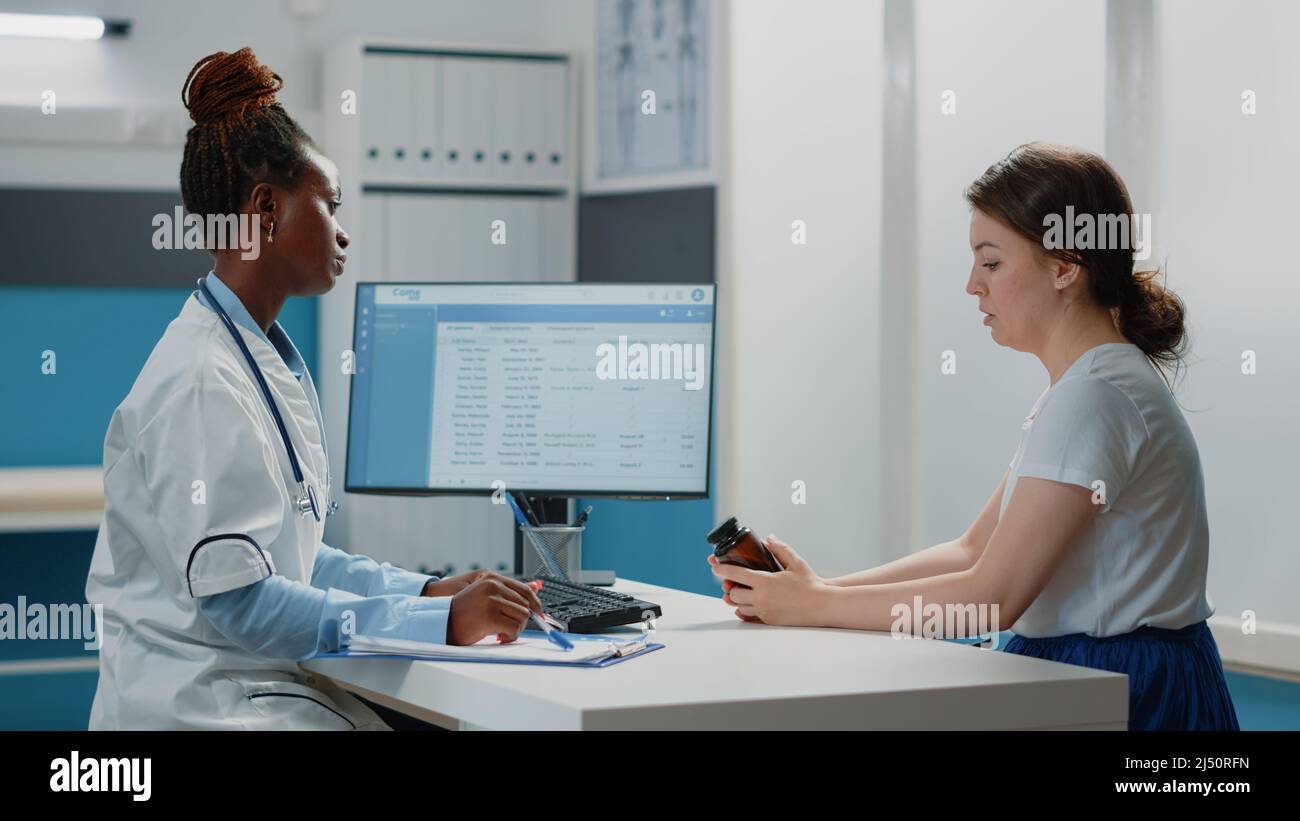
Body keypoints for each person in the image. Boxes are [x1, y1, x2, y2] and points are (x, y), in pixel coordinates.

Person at [709, 142, 1239, 731]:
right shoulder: (1090, 386)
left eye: (990, 262)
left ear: (1065, 265)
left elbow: (992, 596)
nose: (971, 285)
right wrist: (815, 591)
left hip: (1124, 688)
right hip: (1119, 672)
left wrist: (819, 607)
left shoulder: (1095, 398)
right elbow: (973, 550)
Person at [85, 47, 541, 730]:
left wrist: (423, 590)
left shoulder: (252, 357)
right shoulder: (204, 382)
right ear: (266, 210)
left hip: (252, 686)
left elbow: (290, 557)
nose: (344, 230)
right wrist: (435, 619)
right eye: (330, 204)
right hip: (204, 704)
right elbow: (244, 602)